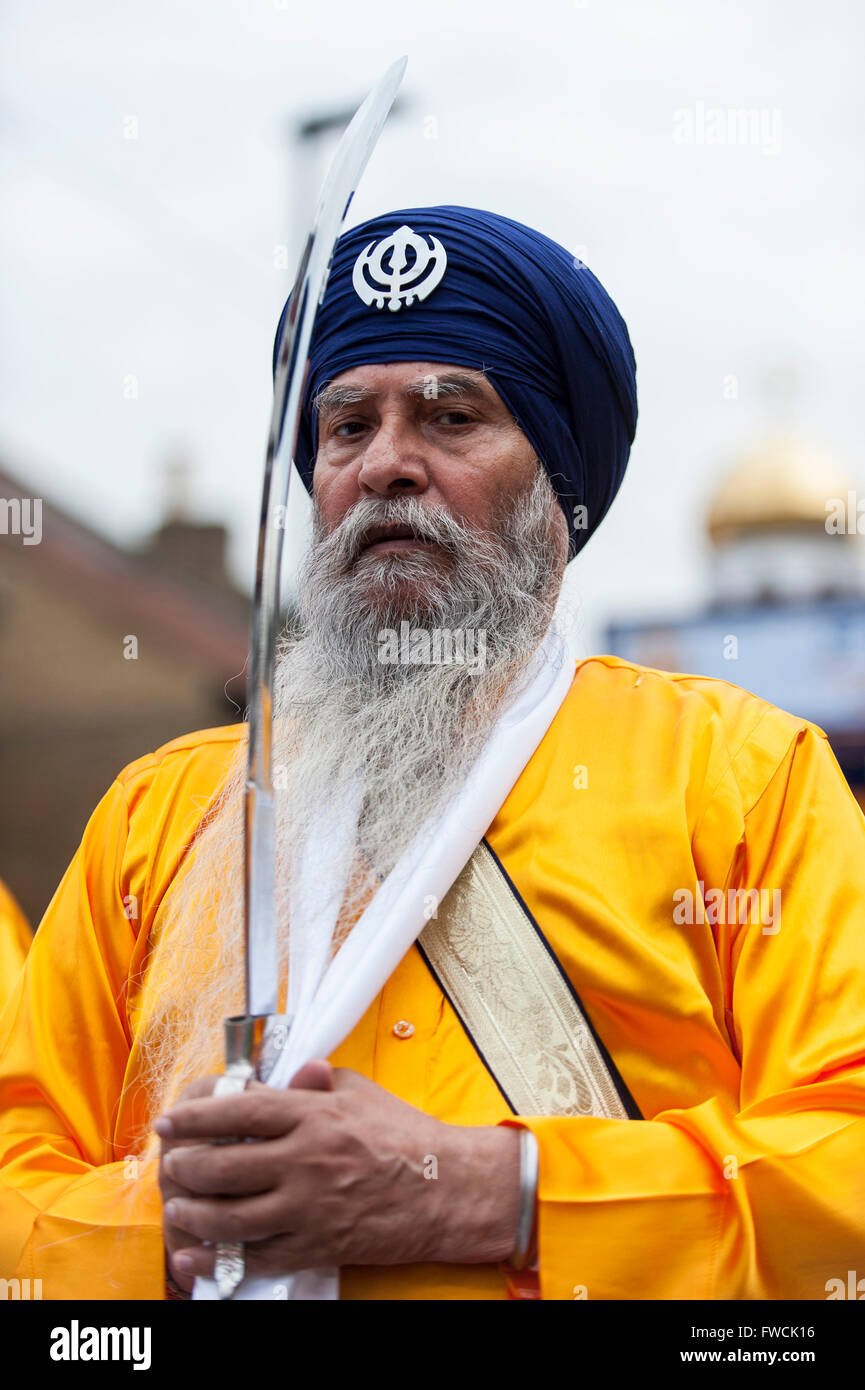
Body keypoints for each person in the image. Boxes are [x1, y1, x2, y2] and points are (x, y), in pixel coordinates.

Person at [1, 206, 863, 1302]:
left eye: (452, 416)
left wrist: (493, 1192)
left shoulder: (742, 778)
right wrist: (159, 1232)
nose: (385, 465)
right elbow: (19, 1171)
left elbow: (844, 1167)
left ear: (557, 486)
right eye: (346, 426)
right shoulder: (160, 814)